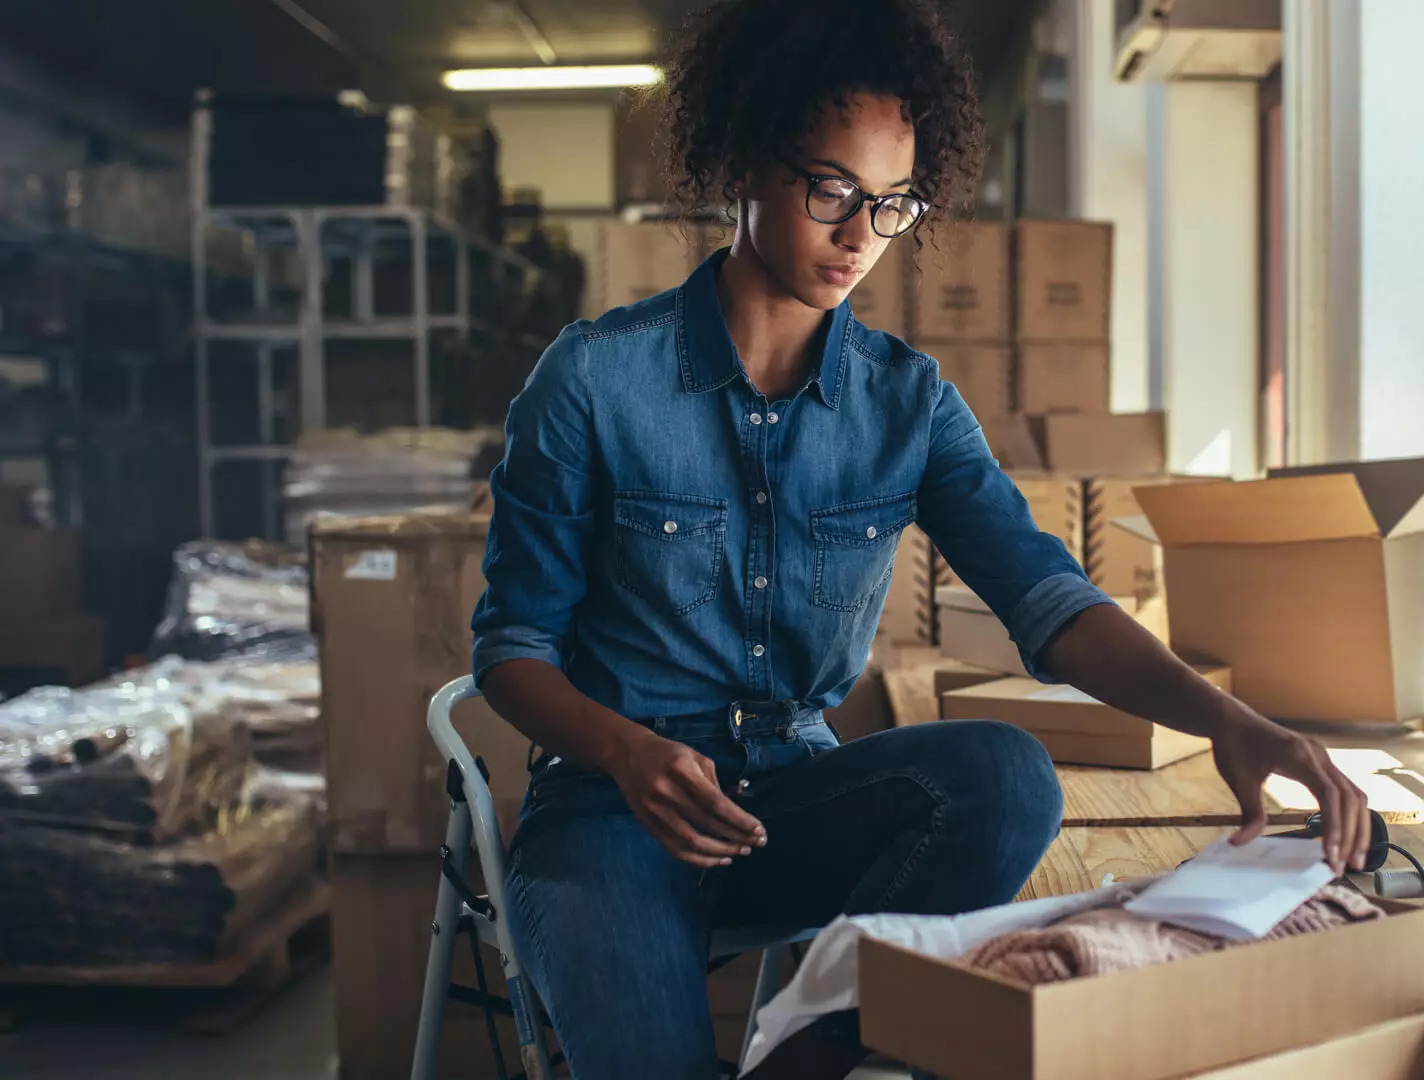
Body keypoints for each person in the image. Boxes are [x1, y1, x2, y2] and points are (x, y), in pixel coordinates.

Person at [469, 1, 1372, 1076]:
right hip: (612, 815)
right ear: (749, 160)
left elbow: (1050, 602)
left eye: (892, 204)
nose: (860, 235)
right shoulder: (594, 380)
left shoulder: (908, 403)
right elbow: (511, 650)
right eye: (832, 190)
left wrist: (1228, 720)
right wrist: (624, 750)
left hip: (794, 804)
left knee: (1006, 775)